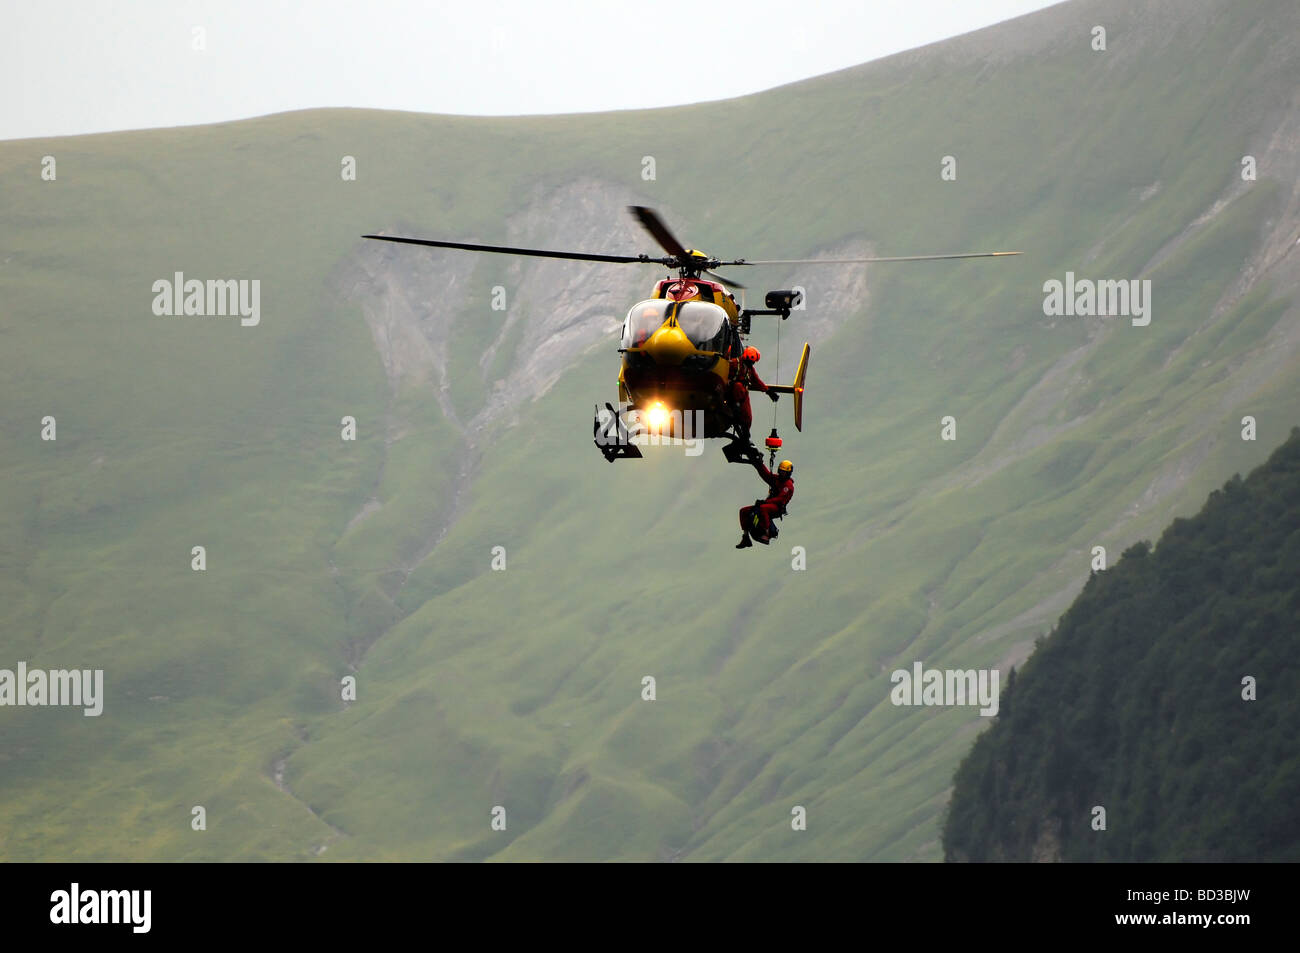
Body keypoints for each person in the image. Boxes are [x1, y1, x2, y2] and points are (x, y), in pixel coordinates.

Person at [737, 457, 794, 548]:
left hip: (777, 508)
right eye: (780, 471)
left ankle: (766, 534)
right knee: (743, 511)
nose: (781, 473)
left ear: (788, 473)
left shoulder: (788, 486)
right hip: (769, 504)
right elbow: (766, 475)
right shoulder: (777, 479)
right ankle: (745, 537)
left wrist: (764, 502)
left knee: (763, 509)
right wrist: (759, 464)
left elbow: (780, 499)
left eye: (784, 472)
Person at [729, 345, 778, 442]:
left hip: (743, 394)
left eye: (753, 362)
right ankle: (736, 409)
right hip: (732, 392)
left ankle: (745, 433)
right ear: (746, 357)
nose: (752, 364)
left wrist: (768, 391)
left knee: (748, 416)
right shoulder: (734, 363)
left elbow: (756, 381)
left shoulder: (750, 369)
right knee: (738, 386)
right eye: (751, 361)